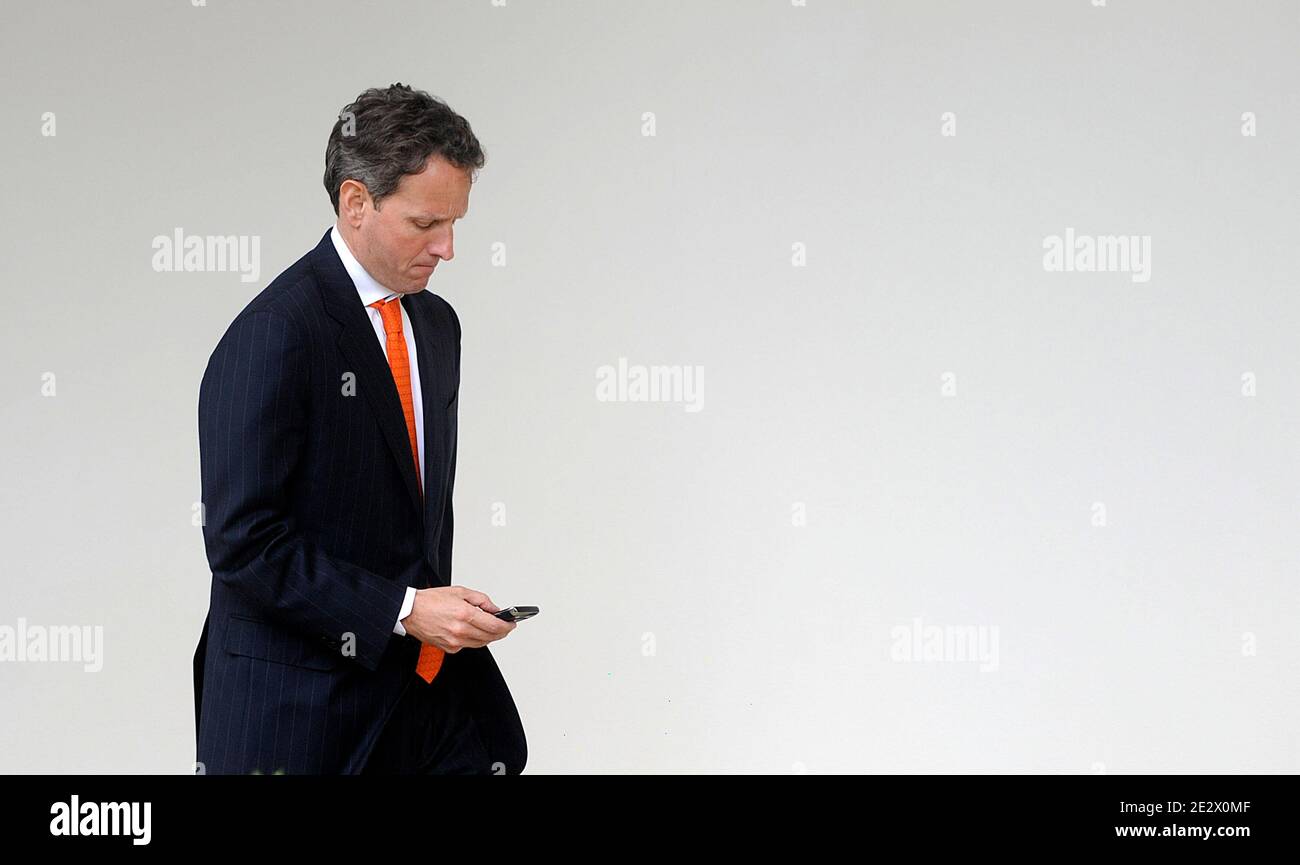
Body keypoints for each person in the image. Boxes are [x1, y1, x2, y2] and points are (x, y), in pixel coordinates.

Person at [192, 83, 526, 774]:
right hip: (300, 721)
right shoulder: (274, 334)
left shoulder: (436, 325)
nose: (448, 247)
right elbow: (243, 545)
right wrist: (404, 609)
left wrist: (441, 608)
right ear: (355, 202)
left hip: (423, 703)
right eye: (426, 223)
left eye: (456, 222)